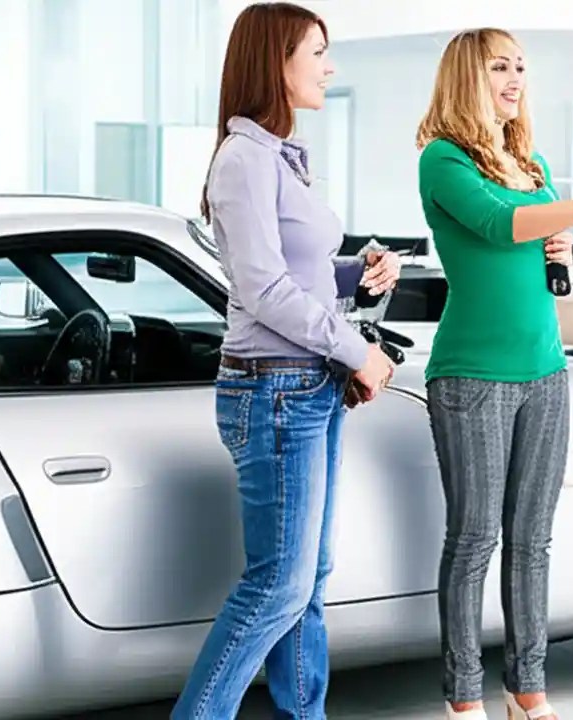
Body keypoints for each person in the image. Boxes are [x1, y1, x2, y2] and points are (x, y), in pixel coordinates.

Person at [415, 28, 573, 720]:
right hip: (472, 378)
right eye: (500, 67)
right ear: (469, 76)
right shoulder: (443, 159)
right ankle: (464, 699)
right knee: (474, 540)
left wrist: (564, 246)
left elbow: (545, 267)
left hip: (545, 372)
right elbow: (499, 226)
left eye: (521, 66)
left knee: (534, 539)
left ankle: (530, 691)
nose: (515, 79)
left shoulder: (533, 162)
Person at [171, 4, 399, 719]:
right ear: (278, 61)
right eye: (318, 52)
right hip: (273, 391)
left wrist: (355, 273)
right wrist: (358, 350)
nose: (330, 67)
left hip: (305, 386)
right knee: (278, 585)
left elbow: (293, 273)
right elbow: (263, 290)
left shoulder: (274, 156)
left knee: (308, 580)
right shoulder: (241, 160)